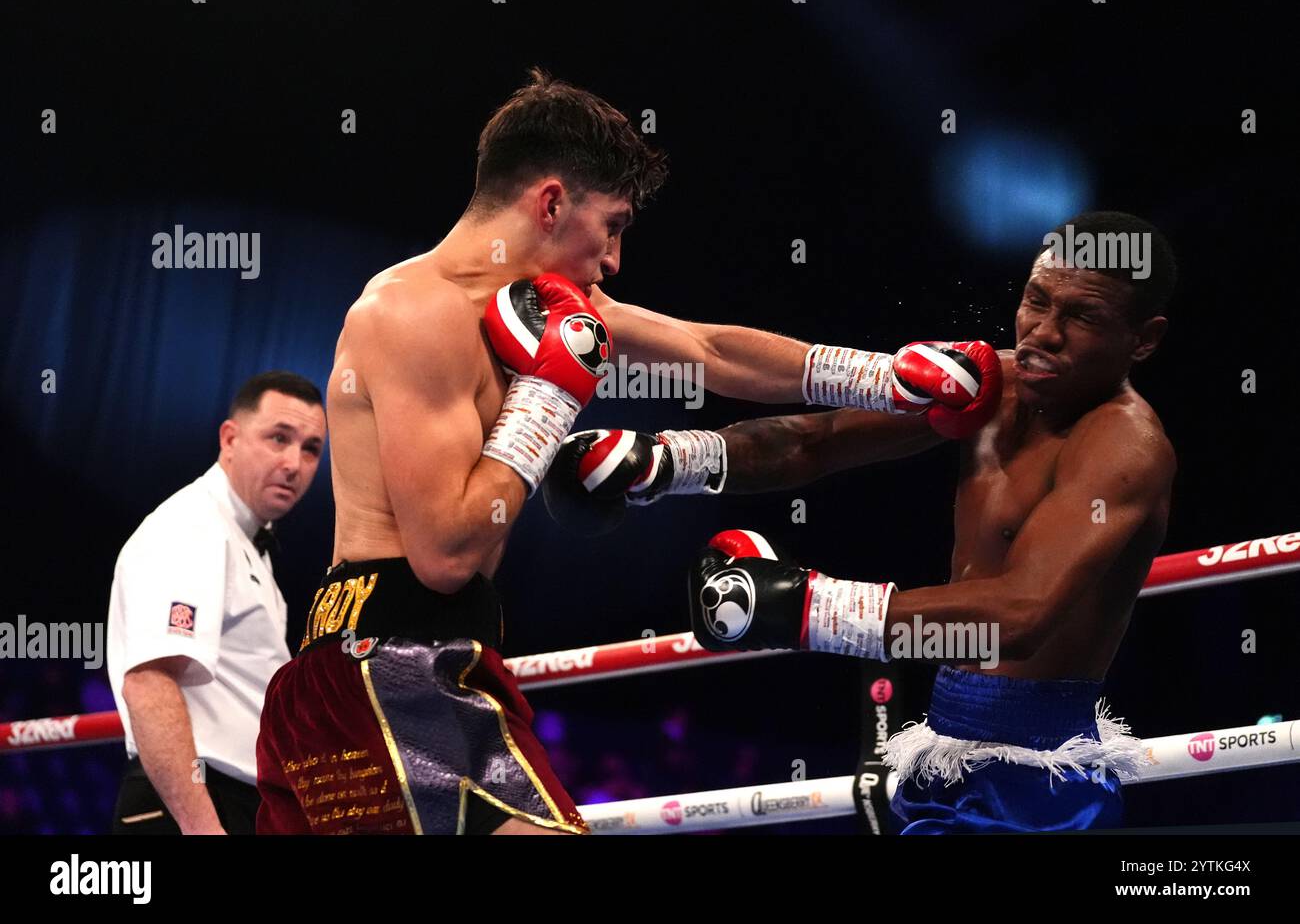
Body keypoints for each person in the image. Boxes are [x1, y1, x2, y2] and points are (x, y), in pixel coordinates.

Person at [254, 68, 1001, 835]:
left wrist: (885, 376)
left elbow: (709, 349)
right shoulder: (413, 313)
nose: (613, 260)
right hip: (386, 671)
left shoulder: (540, 306)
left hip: (417, 664)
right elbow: (444, 551)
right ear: (550, 202)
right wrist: (548, 397)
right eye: (610, 226)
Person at [554, 211, 1177, 832]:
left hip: (1038, 784)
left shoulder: (1124, 448)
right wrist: (669, 460)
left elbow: (1019, 617)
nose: (1046, 332)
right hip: (944, 750)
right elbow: (817, 441)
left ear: (1143, 340)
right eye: (1036, 302)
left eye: (1082, 318)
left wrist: (808, 610)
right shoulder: (993, 383)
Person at [107, 371, 326, 834]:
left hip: (236, 803)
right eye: (278, 438)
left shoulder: (244, 544)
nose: (294, 462)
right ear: (230, 438)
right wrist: (203, 828)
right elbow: (149, 682)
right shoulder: (192, 526)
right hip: (195, 804)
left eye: (310, 449)